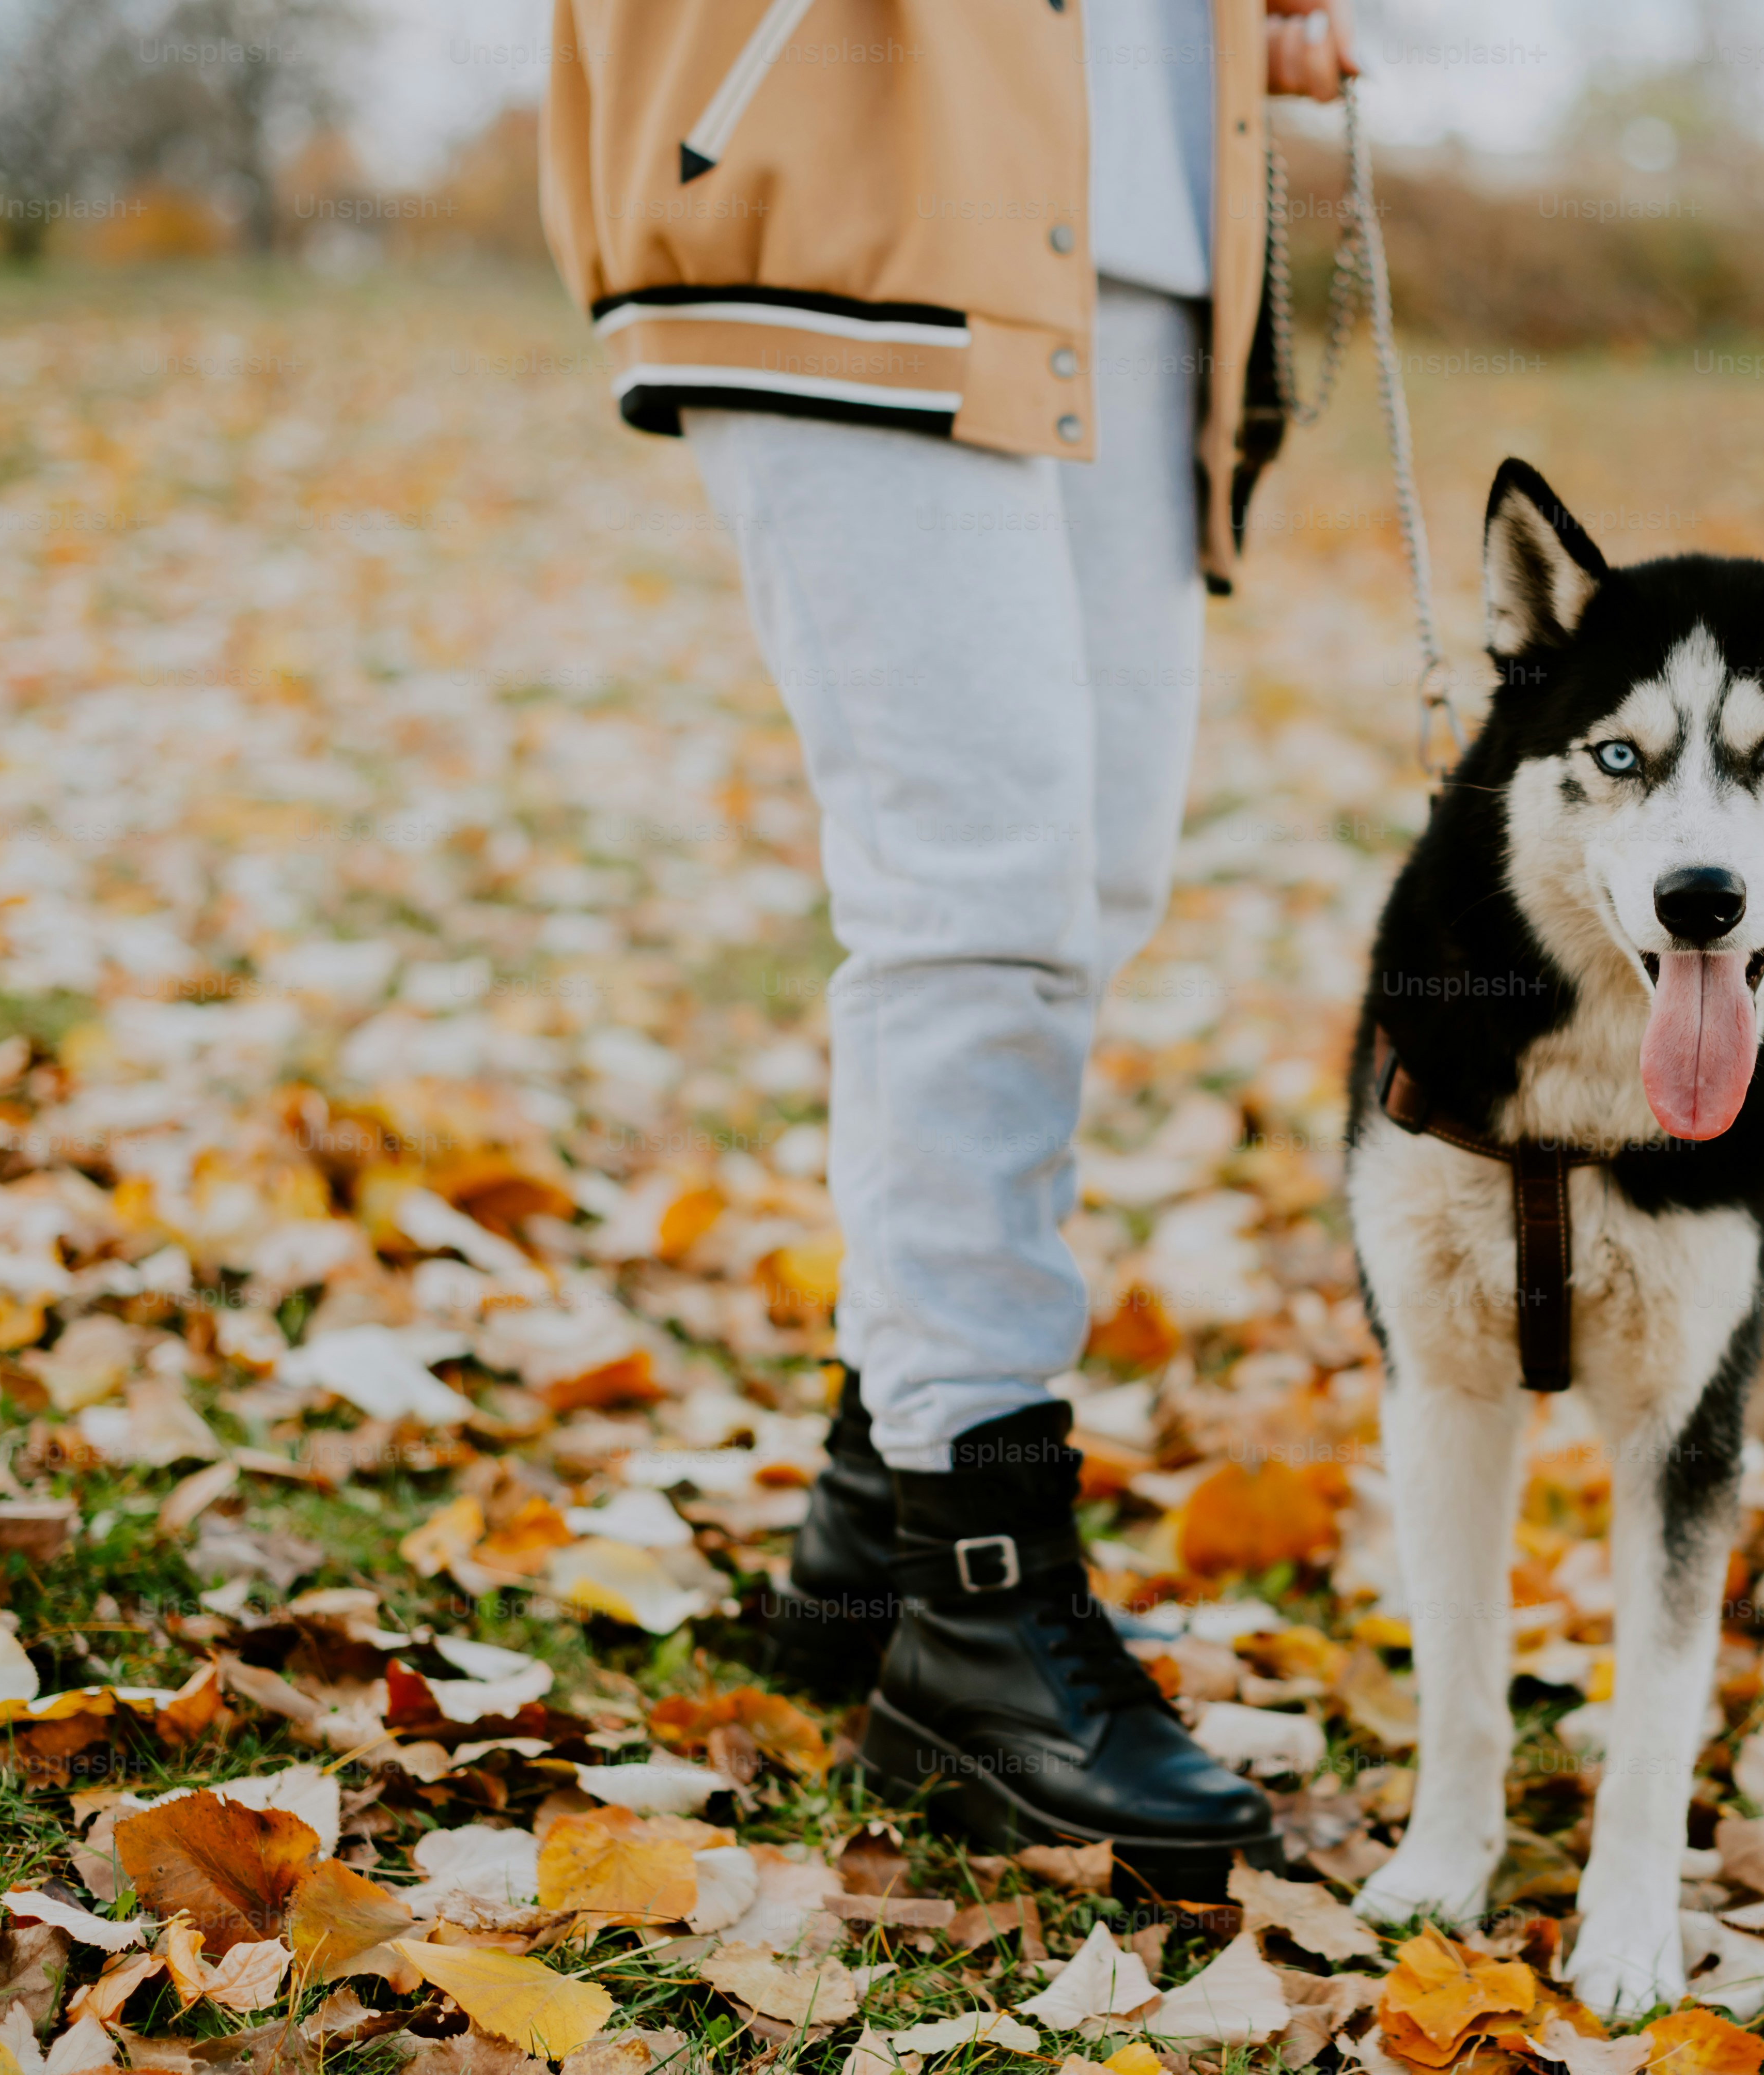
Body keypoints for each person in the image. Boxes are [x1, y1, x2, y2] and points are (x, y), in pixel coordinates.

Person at [538, 0, 1356, 1887]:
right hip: (848, 157)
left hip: (1144, 219)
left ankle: (875, 1514)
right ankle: (980, 1594)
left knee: (1081, 893)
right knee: (974, 887)